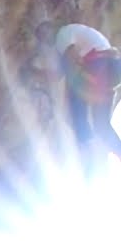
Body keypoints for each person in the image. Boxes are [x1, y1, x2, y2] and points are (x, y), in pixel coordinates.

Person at [51, 22, 121, 164]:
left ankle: (84, 141)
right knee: (101, 126)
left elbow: (73, 59)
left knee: (74, 93)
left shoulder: (62, 33)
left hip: (103, 66)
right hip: (111, 70)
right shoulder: (79, 32)